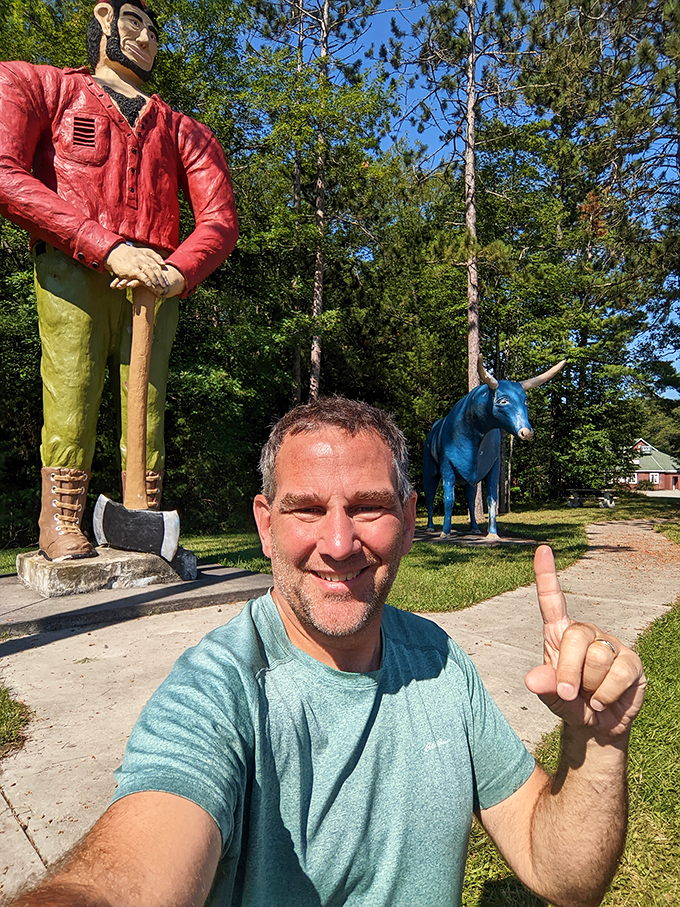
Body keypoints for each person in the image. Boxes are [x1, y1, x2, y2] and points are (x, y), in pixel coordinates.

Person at [8, 397, 646, 907]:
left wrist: (598, 745)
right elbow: (122, 878)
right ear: (264, 525)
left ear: (409, 518)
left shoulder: (440, 662)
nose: (339, 544)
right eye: (306, 510)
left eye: (368, 508)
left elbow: (559, 873)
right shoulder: (219, 690)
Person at [0, 0, 239, 561]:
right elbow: (5, 173)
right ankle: (60, 519)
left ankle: (144, 519)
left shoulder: (185, 131)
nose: (147, 38)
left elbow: (221, 219)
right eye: (134, 22)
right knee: (72, 387)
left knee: (147, 401)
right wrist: (106, 248)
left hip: (156, 286)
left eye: (156, 32)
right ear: (103, 17)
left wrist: (177, 272)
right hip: (73, 266)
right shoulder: (40, 86)